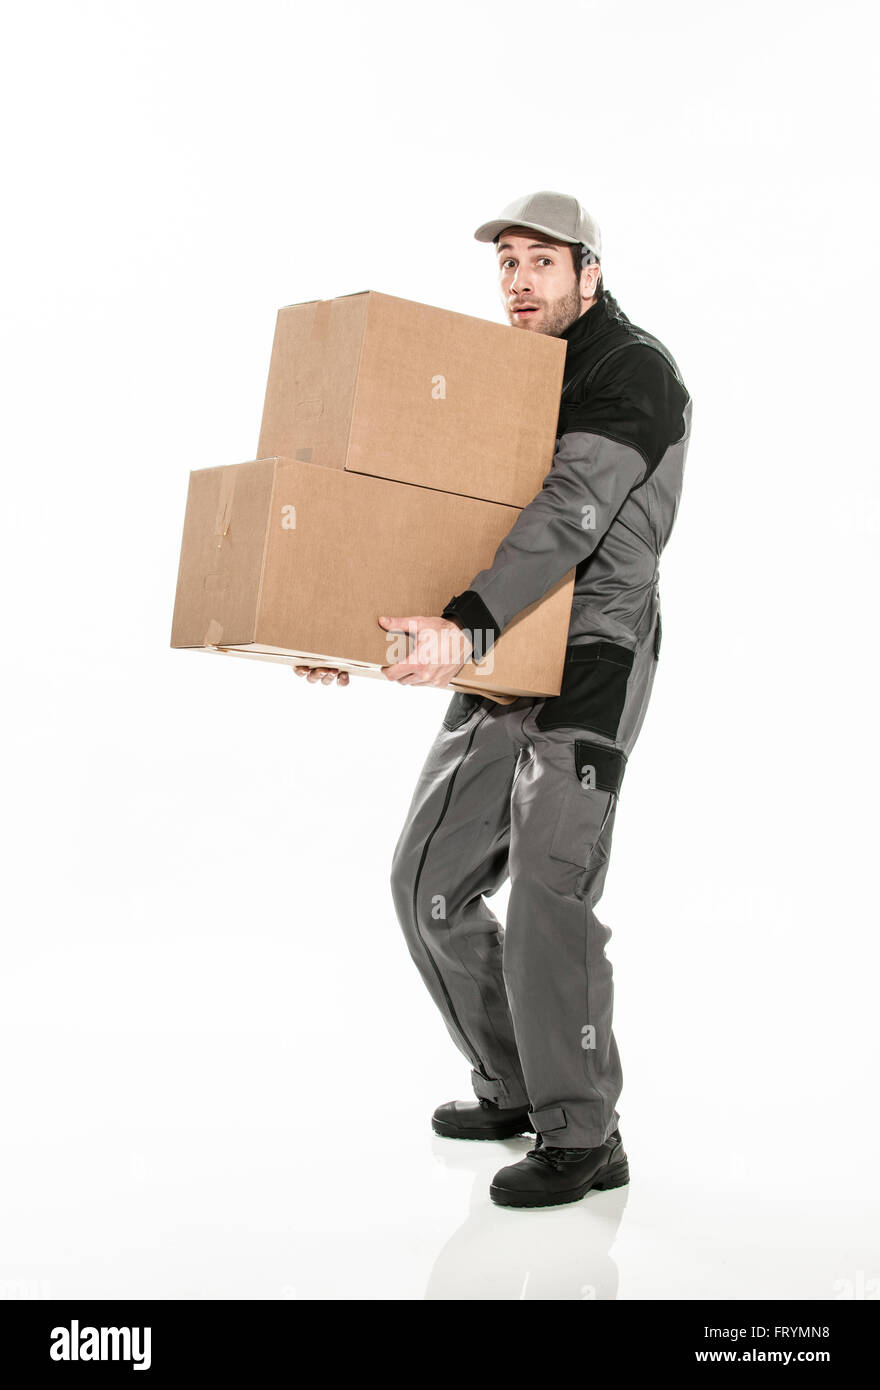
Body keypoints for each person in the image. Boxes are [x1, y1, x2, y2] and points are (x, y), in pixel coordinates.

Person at [295, 190, 692, 1209]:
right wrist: (334, 629)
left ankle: (585, 1132)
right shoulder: (505, 377)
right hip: (503, 640)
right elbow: (432, 516)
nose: (517, 282)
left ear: (588, 274)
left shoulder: (628, 370)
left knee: (546, 897)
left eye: (540, 263)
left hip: (591, 650)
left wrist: (465, 623)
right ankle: (516, 1081)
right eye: (506, 263)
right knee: (426, 883)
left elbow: (569, 513)